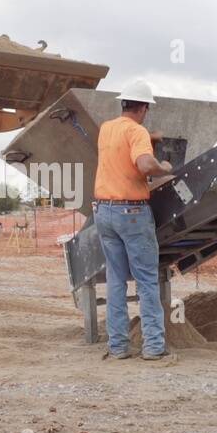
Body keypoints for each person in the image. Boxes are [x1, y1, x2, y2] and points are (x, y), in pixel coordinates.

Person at [93, 80, 174, 360]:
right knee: (147, 280)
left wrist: (150, 139)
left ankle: (118, 347)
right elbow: (143, 164)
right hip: (132, 213)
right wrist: (163, 168)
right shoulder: (136, 131)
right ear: (144, 108)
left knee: (116, 280)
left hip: (104, 212)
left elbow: (123, 149)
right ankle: (153, 347)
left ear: (124, 104)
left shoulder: (107, 129)